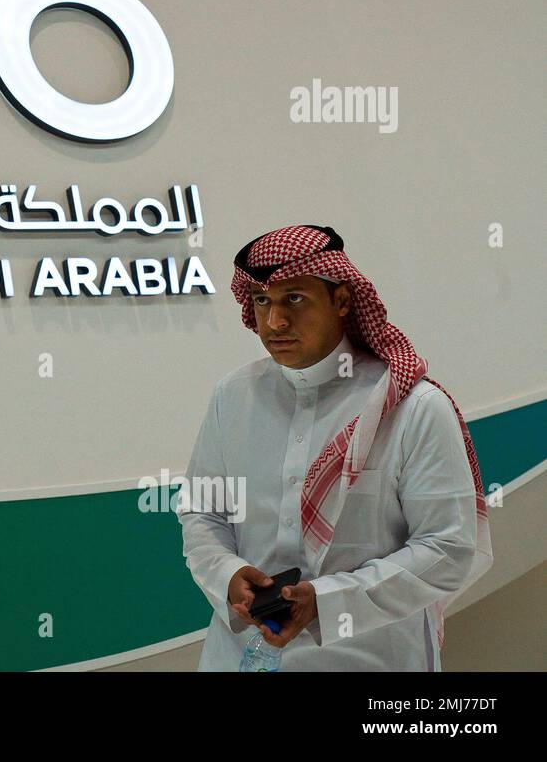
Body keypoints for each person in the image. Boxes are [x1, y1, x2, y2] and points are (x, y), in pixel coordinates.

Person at [176, 224, 493, 670]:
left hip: (366, 658)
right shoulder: (233, 396)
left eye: (294, 299)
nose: (275, 322)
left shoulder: (413, 407)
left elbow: (448, 549)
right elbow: (203, 511)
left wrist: (325, 602)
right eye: (262, 301)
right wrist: (227, 576)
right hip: (237, 656)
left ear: (342, 300)